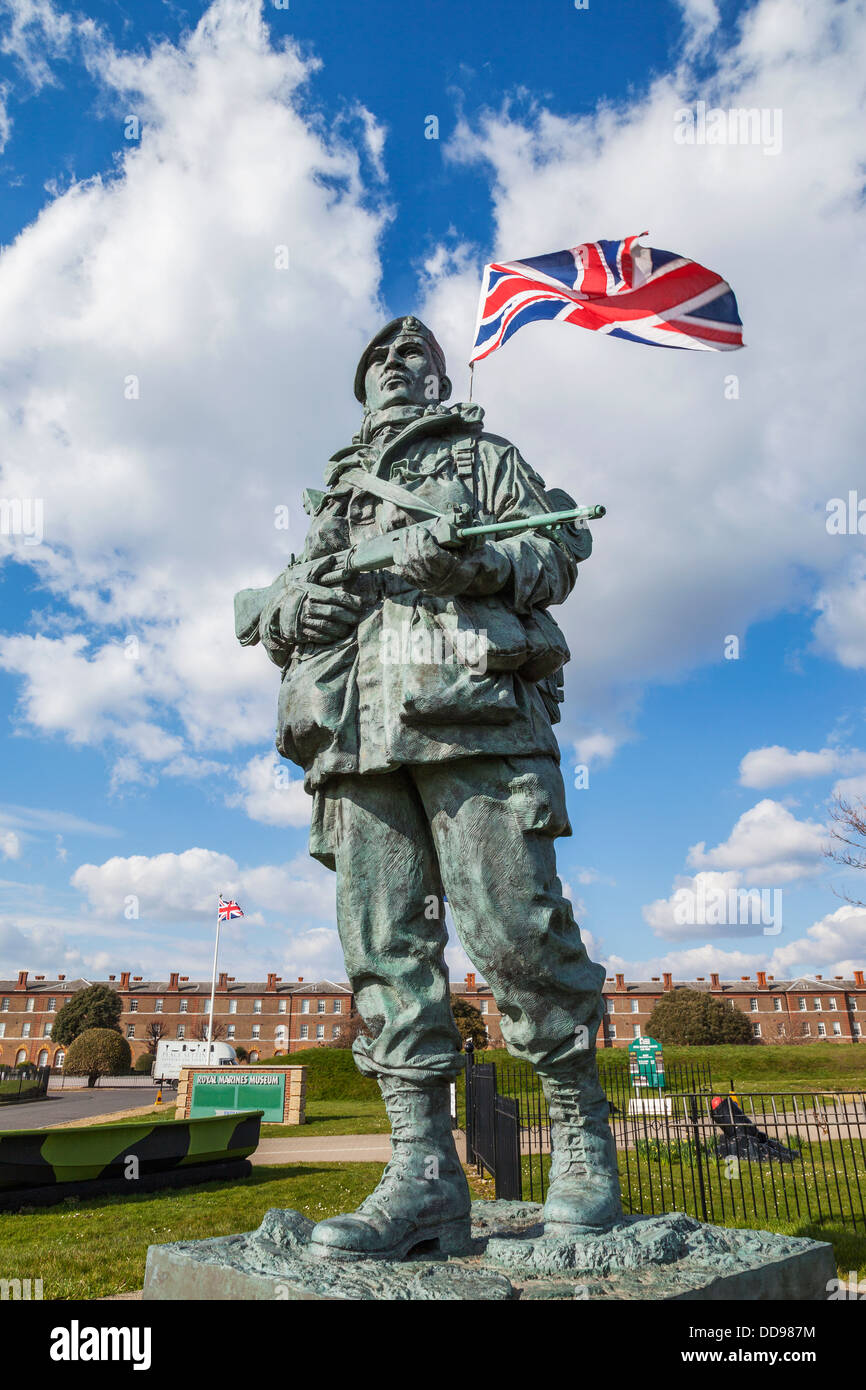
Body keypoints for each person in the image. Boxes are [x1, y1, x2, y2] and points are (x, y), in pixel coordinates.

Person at [236, 315, 622, 1260]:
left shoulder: (485, 458)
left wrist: (476, 562)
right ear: (361, 383)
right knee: (383, 951)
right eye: (382, 357)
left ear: (443, 382)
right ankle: (423, 1173)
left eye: (419, 357)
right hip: (352, 735)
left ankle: (580, 1142)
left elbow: (555, 554)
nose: (400, 366)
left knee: (515, 931)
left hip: (470, 709)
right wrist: (297, 605)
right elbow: (274, 608)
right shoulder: (333, 497)